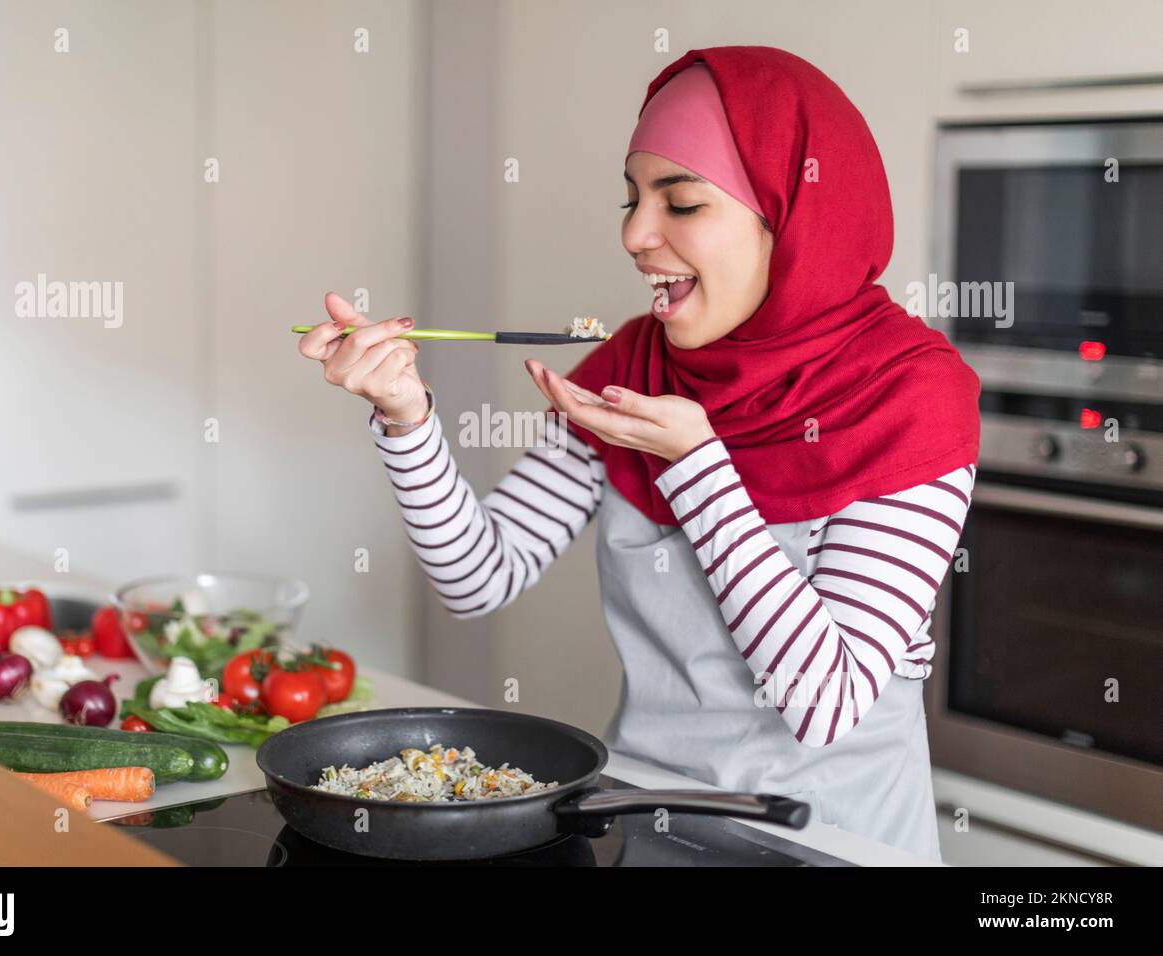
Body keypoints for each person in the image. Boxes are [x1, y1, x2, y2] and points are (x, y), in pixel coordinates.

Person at [297, 46, 981, 861]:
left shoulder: (912, 397)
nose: (634, 234)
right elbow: (479, 577)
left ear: (793, 216)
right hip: (641, 811)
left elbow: (822, 702)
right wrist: (406, 419)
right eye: (630, 198)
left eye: (681, 202)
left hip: (828, 840)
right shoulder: (636, 363)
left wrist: (697, 467)